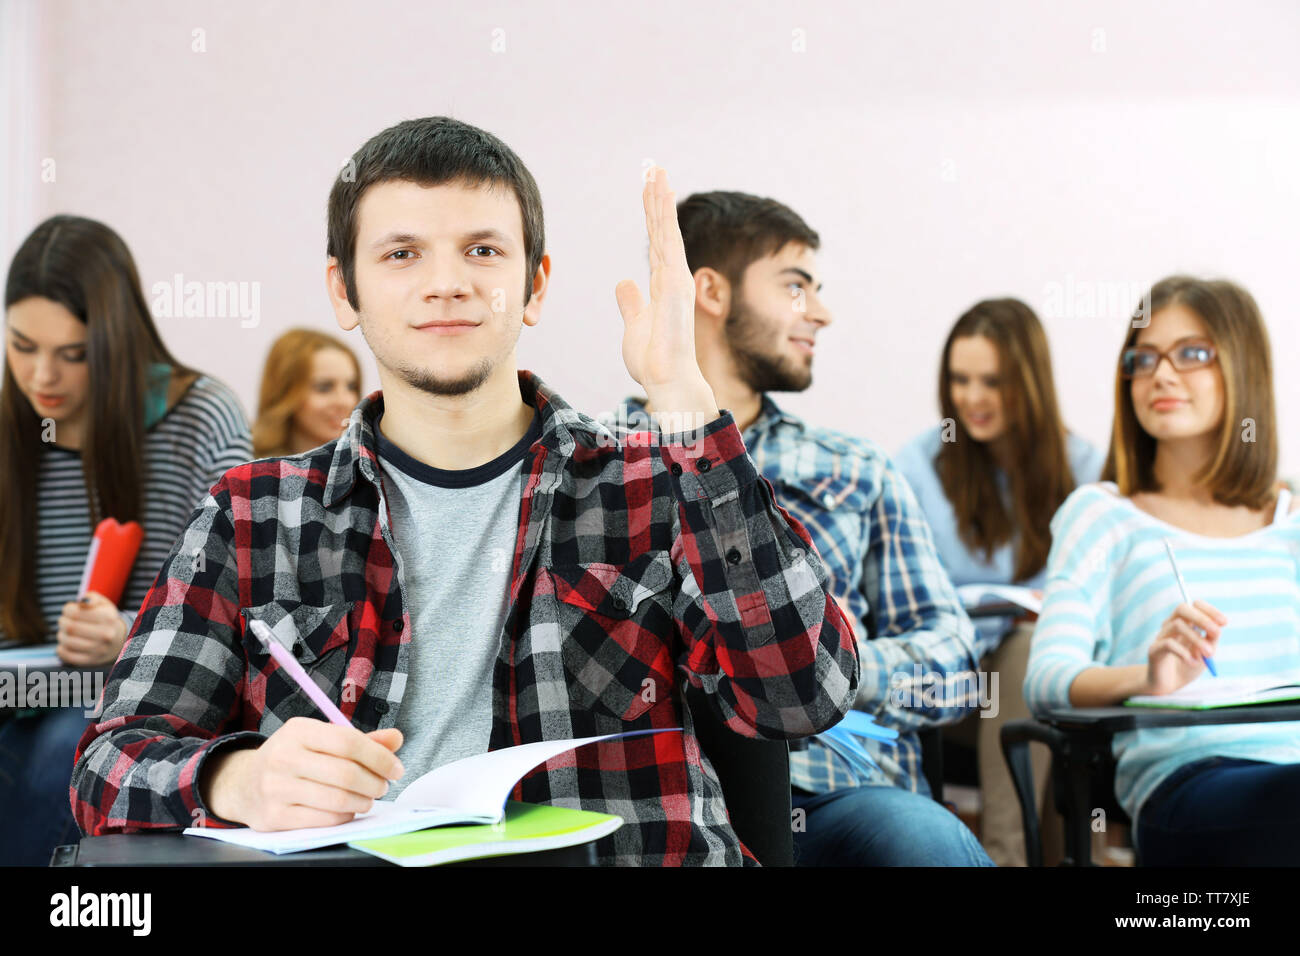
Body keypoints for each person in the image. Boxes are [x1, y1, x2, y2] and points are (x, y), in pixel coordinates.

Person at [70, 117, 859, 866]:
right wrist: (233, 781)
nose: (446, 284)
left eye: (482, 250)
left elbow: (802, 696)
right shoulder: (252, 514)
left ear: (534, 286)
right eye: (402, 254)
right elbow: (108, 763)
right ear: (344, 292)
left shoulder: (653, 481)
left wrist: (688, 410)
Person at [609, 190, 992, 865]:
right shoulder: (601, 462)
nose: (821, 311)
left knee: (925, 844)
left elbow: (960, 668)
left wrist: (825, 654)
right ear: (712, 291)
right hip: (664, 796)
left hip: (838, 795)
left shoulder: (854, 467)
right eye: (795, 286)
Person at [0, 215, 252, 865]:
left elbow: (235, 612)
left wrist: (127, 642)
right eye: (22, 346)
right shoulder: (10, 432)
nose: (41, 377)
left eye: (73, 354)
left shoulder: (199, 418)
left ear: (116, 342)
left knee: (59, 754)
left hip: (137, 706)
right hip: (19, 694)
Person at [1024, 275, 1300, 866]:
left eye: (1192, 354)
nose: (1162, 375)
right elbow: (1045, 678)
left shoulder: (1292, 519)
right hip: (1189, 789)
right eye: (1143, 358)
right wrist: (1147, 679)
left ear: (1244, 368)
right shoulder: (1103, 515)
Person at [894, 298, 1104, 866]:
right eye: (959, 380)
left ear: (1030, 382)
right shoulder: (917, 466)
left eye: (992, 381)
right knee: (1028, 660)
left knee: (1038, 658)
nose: (971, 398)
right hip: (947, 676)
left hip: (1052, 677)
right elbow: (901, 595)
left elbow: (1106, 592)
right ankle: (1006, 859)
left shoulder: (1087, 468)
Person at [252, 328, 361, 457]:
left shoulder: (369, 466)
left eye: (351, 386)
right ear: (285, 392)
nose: (344, 401)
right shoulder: (247, 471)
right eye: (324, 388)